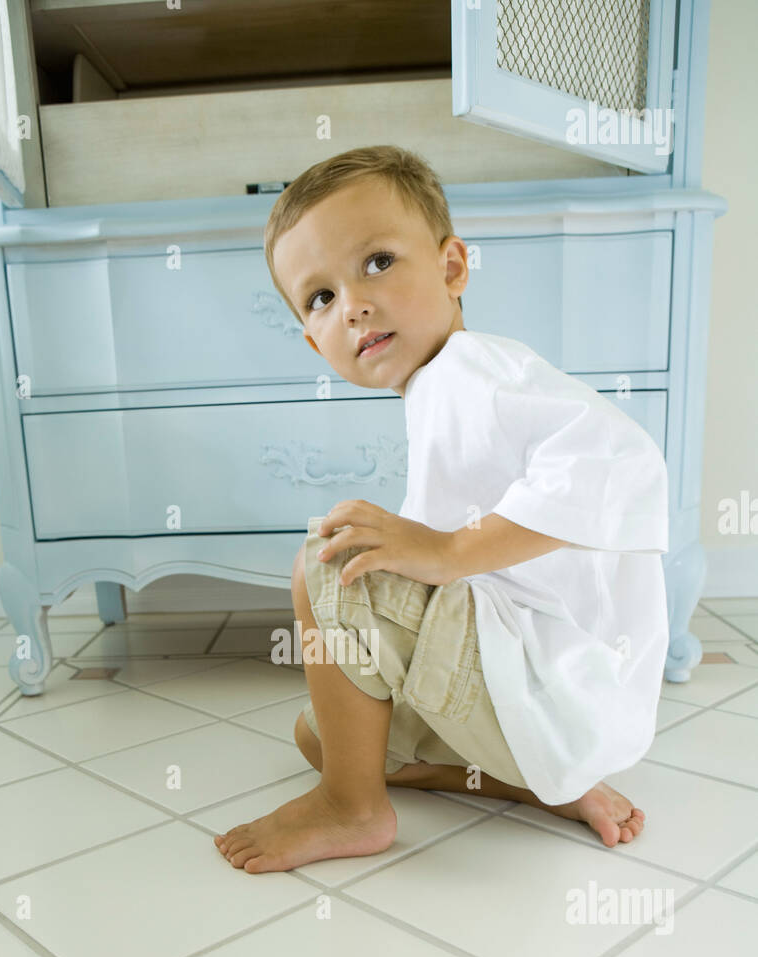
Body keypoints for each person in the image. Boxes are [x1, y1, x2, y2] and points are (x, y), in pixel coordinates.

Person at [215, 145, 668, 873]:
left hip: (553, 680)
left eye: (377, 263)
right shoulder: (437, 393)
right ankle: (535, 787)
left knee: (327, 562)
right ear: (312, 340)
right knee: (317, 734)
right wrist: (436, 553)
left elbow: (624, 458)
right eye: (321, 298)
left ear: (452, 267)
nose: (353, 303)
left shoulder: (474, 373)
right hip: (524, 686)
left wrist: (450, 552)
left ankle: (351, 808)